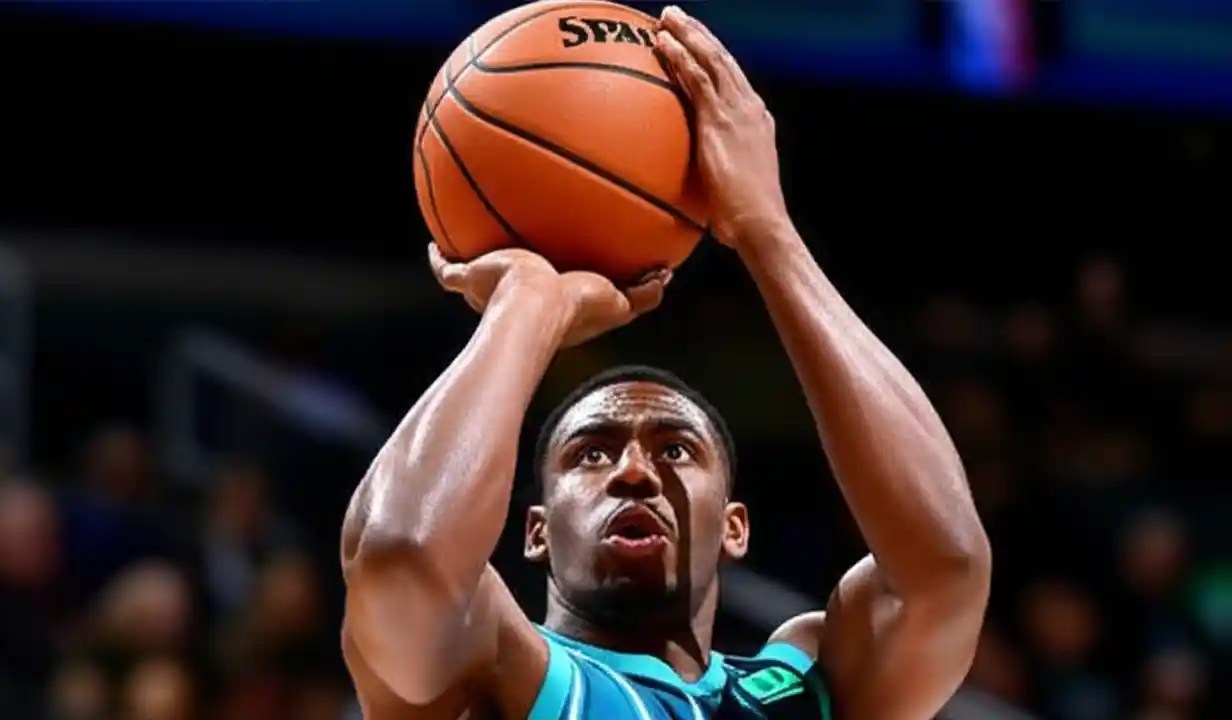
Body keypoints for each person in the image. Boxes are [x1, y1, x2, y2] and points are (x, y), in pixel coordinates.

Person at [339, 7, 991, 720]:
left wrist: (768, 233)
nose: (634, 470)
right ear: (536, 531)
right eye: (589, 455)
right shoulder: (494, 673)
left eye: (678, 450)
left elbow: (946, 568)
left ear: (736, 526)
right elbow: (400, 557)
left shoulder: (803, 689)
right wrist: (528, 304)